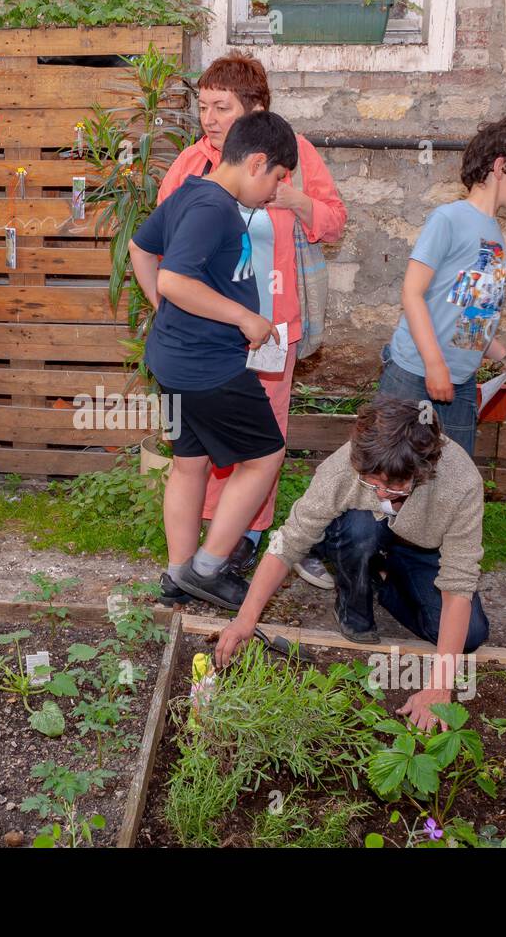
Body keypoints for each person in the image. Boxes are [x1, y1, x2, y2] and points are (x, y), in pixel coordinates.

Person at [155, 52, 347, 600]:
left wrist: (292, 196)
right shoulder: (191, 164)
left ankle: (245, 540)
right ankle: (204, 556)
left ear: (255, 108)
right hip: (208, 329)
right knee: (204, 448)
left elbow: (333, 222)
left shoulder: (294, 155)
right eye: (203, 106)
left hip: (272, 325)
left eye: (221, 107)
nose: (208, 119)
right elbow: (167, 249)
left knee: (265, 435)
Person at [215, 396, 491, 732]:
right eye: (372, 483)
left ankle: (388, 582)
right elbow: (287, 542)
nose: (381, 493)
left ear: (423, 471)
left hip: (423, 548)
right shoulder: (343, 468)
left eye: (394, 486)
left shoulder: (460, 483)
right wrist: (245, 619)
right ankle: (354, 597)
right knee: (358, 529)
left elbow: (458, 583)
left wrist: (439, 685)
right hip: (362, 533)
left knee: (470, 636)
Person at [129, 110, 297, 612]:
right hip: (207, 365)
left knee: (189, 464)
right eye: (276, 179)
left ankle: (178, 574)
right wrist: (244, 318)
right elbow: (173, 280)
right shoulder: (214, 207)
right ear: (257, 162)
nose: (273, 193)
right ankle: (208, 567)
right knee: (265, 455)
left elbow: (141, 248)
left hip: (172, 358)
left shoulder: (189, 192)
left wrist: (165, 314)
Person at [380, 116, 506, 457]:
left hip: (461, 381)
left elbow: (472, 316)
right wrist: (434, 364)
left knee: (453, 483)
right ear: (501, 166)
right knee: (388, 472)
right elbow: (412, 293)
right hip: (414, 373)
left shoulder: (495, 234)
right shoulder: (449, 219)